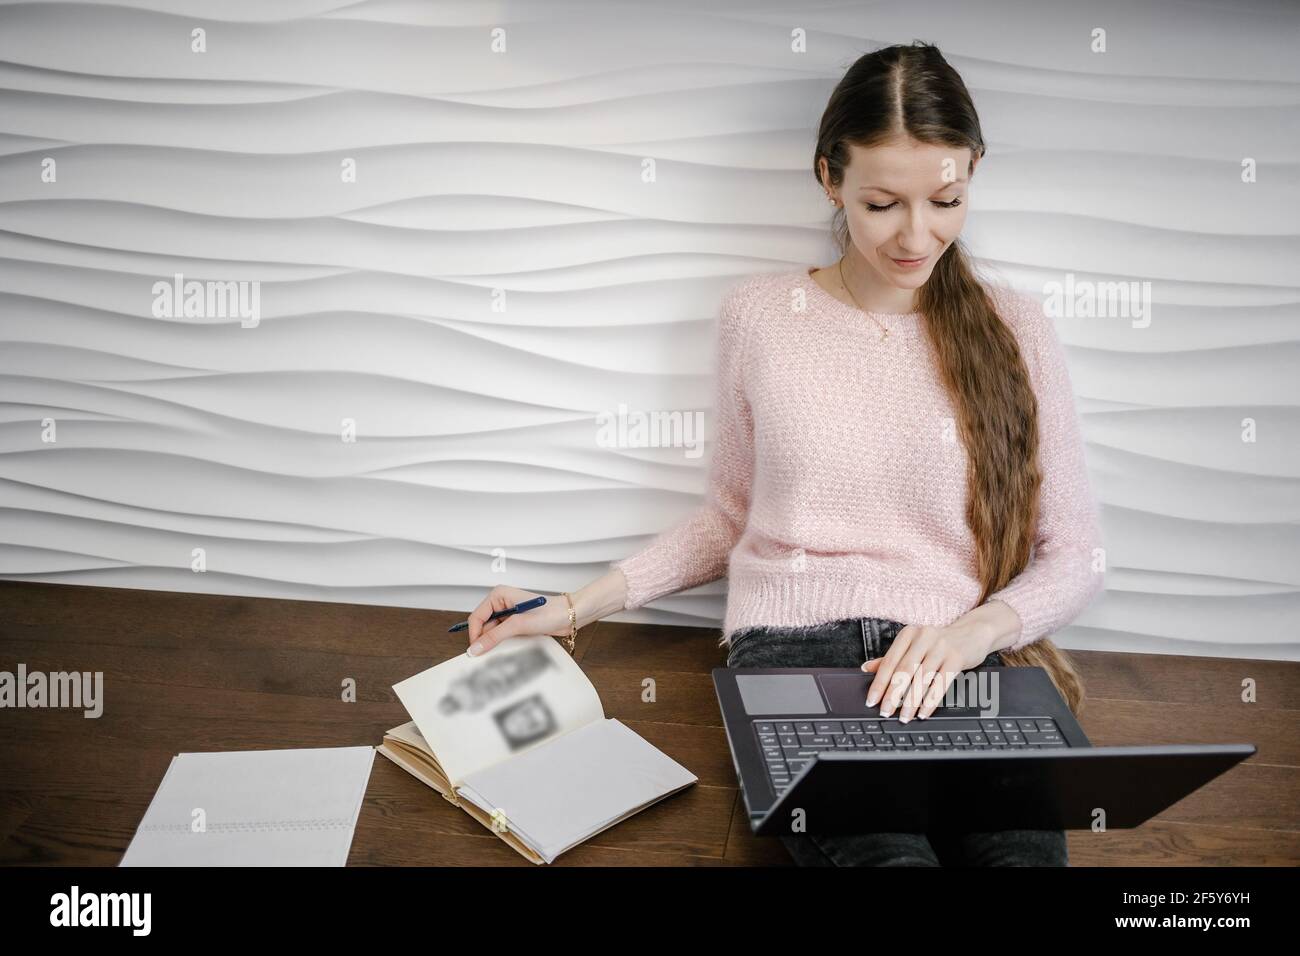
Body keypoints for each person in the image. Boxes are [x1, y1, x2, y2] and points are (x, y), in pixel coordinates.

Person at [461, 41, 1105, 866]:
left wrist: (975, 632)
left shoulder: (1015, 325)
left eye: (946, 198)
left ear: (973, 169)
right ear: (829, 179)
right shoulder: (760, 316)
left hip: (951, 655)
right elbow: (730, 515)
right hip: (793, 650)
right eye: (882, 204)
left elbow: (1075, 555)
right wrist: (575, 605)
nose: (917, 235)